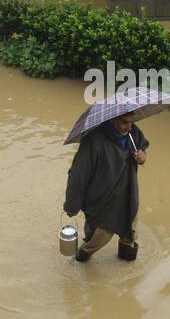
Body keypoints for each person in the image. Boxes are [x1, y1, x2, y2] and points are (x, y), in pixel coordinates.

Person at [64, 112, 149, 262]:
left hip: (129, 195)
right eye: (124, 123)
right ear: (112, 119)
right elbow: (78, 175)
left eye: (131, 122)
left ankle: (126, 266)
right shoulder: (93, 141)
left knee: (129, 234)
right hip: (104, 202)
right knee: (95, 242)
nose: (129, 127)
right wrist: (72, 205)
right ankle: (79, 262)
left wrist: (142, 156)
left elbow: (142, 148)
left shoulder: (133, 132)